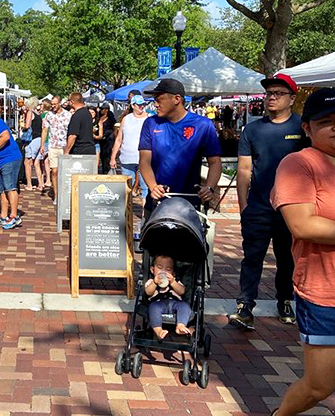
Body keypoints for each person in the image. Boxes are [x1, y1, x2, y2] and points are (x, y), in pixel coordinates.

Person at [259, 88, 335, 416]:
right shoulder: (298, 164)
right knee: (321, 385)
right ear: (307, 128)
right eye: (326, 122)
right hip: (325, 293)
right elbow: (303, 225)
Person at [229, 73, 308, 330]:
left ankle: (285, 299)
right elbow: (244, 170)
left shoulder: (302, 128)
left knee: (287, 258)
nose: (271, 97)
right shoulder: (252, 130)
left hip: (291, 209)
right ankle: (245, 306)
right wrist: (244, 207)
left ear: (291, 99)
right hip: (259, 207)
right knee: (252, 258)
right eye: (269, 93)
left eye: (278, 93)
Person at [139, 78, 222, 213]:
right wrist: (153, 187)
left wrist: (210, 188)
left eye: (159, 99)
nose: (155, 104)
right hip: (157, 204)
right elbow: (144, 161)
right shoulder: (150, 123)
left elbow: (215, 162)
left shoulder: (203, 125)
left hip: (190, 205)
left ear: (177, 99)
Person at [110, 94, 149, 200]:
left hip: (143, 159)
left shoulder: (149, 118)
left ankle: (145, 210)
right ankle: (127, 209)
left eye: (143, 104)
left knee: (145, 188)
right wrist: (113, 157)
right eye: (139, 105)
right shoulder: (126, 119)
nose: (141, 107)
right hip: (126, 158)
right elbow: (119, 139)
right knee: (127, 188)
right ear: (133, 105)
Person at [145, 254, 192, 340]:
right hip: (158, 304)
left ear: (173, 273)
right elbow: (148, 292)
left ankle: (180, 325)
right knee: (153, 307)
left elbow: (182, 291)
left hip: (175, 303)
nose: (163, 271)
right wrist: (154, 283)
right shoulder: (151, 281)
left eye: (168, 269)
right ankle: (158, 330)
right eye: (159, 268)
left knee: (185, 306)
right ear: (152, 270)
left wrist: (173, 282)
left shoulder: (175, 281)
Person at [42, 96, 72, 202]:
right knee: (54, 171)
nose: (53, 106)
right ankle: (56, 195)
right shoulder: (49, 115)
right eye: (52, 104)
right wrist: (42, 145)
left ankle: (64, 193)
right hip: (53, 145)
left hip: (64, 146)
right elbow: (44, 130)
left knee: (64, 171)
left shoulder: (68, 115)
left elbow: (71, 131)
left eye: (55, 104)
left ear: (60, 103)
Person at [23, 97, 43, 191]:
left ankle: (29, 184)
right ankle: (41, 184)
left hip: (32, 139)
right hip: (39, 139)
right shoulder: (38, 114)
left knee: (27, 162)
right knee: (36, 163)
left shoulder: (30, 113)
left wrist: (23, 127)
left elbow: (27, 126)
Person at [97, 103, 117, 175]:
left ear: (106, 110)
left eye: (102, 109)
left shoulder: (111, 118)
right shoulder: (98, 117)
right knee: (102, 155)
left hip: (109, 139)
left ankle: (107, 171)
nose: (101, 110)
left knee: (107, 155)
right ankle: (103, 170)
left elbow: (114, 129)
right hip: (100, 139)